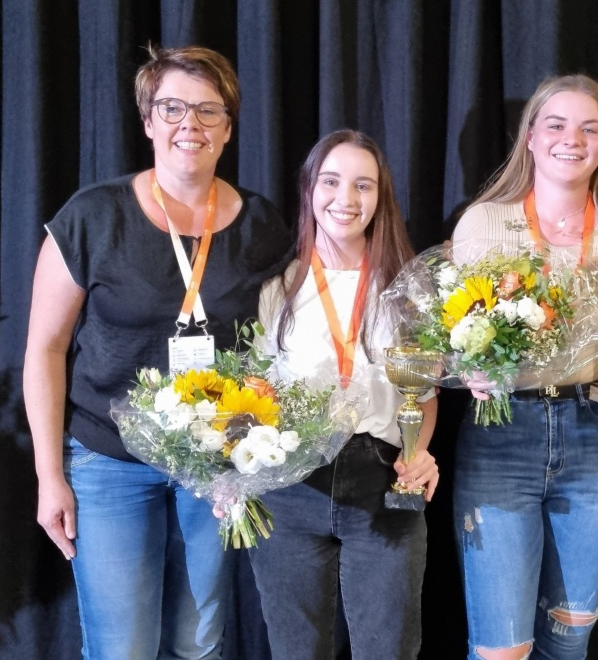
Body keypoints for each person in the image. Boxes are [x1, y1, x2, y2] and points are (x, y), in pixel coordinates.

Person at [22, 45, 292, 659]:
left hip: (213, 470)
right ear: (147, 121)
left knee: (198, 645)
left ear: (228, 127)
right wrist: (48, 475)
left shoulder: (262, 225)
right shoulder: (94, 216)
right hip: (109, 462)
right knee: (123, 650)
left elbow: (283, 342)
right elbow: (44, 348)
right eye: (172, 108)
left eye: (207, 111)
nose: (188, 125)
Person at [450, 74, 598, 660]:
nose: (574, 139)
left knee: (569, 640)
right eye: (558, 125)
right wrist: (470, 365)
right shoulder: (484, 223)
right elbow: (457, 326)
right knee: (502, 650)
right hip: (500, 434)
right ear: (532, 139)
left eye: (590, 128)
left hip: (594, 438)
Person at [248, 129, 439, 660]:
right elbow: (252, 393)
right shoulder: (276, 287)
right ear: (310, 189)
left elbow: (421, 395)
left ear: (381, 198)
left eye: (364, 185)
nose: (346, 199)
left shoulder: (407, 287)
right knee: (296, 650)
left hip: (382, 485)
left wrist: (417, 453)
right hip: (290, 492)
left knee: (389, 649)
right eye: (331, 182)